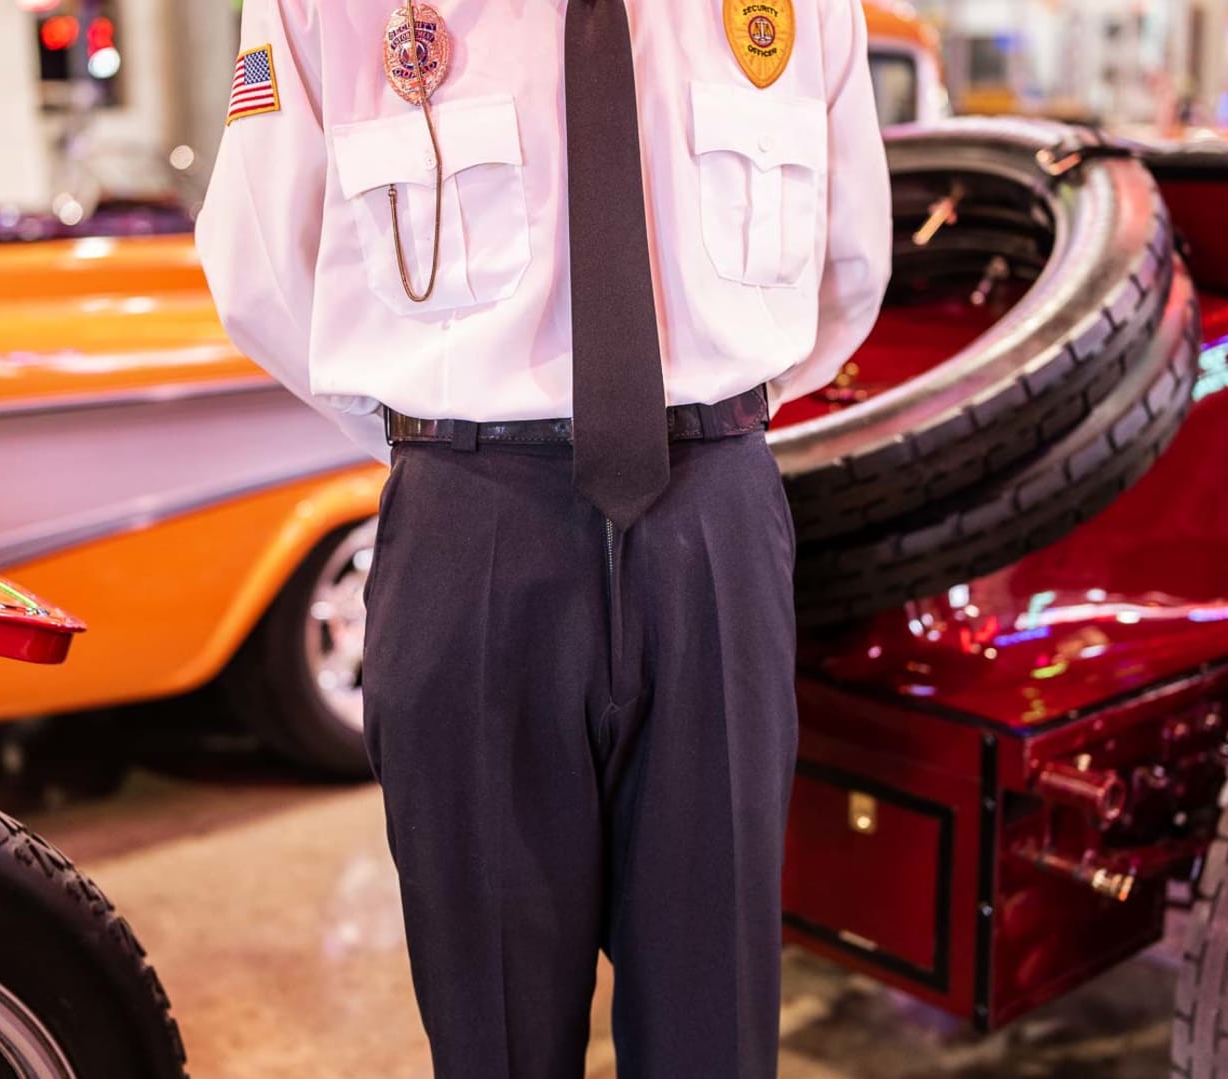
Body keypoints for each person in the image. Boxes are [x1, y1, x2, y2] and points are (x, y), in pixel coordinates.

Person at [197, 1, 891, 1074]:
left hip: (711, 520)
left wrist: (707, 425)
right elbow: (258, 268)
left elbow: (850, 261)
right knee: (496, 1021)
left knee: (720, 1010)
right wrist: (437, 443)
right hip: (472, 530)